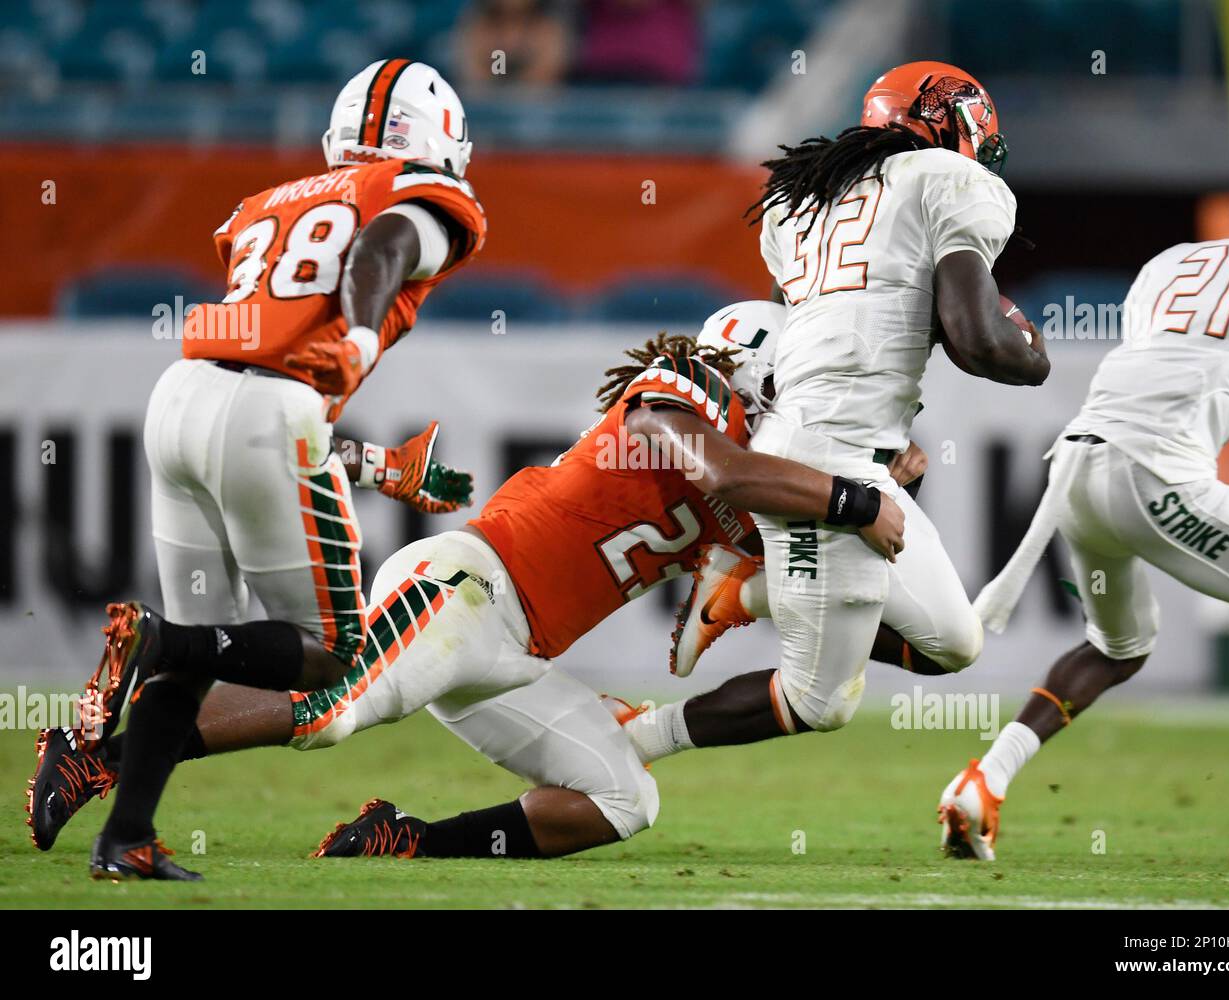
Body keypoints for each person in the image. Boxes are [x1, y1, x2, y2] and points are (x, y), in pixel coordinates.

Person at [29, 305, 907, 871]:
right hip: (468, 586)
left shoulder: (752, 498)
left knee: (624, 799)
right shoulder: (679, 396)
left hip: (515, 653)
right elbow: (709, 460)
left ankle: (405, 839)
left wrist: (894, 500)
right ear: (752, 367)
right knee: (330, 708)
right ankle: (95, 754)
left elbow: (831, 600)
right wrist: (854, 495)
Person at [26, 58, 483, 880]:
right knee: (333, 654)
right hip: (271, 411)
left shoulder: (269, 203)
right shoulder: (419, 197)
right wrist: (363, 334)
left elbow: (260, 371)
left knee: (199, 650)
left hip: (182, 399)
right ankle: (155, 640)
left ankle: (124, 836)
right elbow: (385, 244)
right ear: (439, 140)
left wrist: (376, 463)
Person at [619, 61, 1048, 766]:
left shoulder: (802, 196)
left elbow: (823, 332)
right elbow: (977, 342)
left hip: (829, 438)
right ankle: (632, 739)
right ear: (951, 123)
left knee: (955, 643)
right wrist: (1032, 352)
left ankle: (745, 592)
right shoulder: (956, 183)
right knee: (819, 701)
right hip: (824, 461)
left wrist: (890, 432)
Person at [938, 149, 1229, 867]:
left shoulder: (1170, 262)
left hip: (1075, 463)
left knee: (1118, 646)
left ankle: (984, 780)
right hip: (1156, 471)